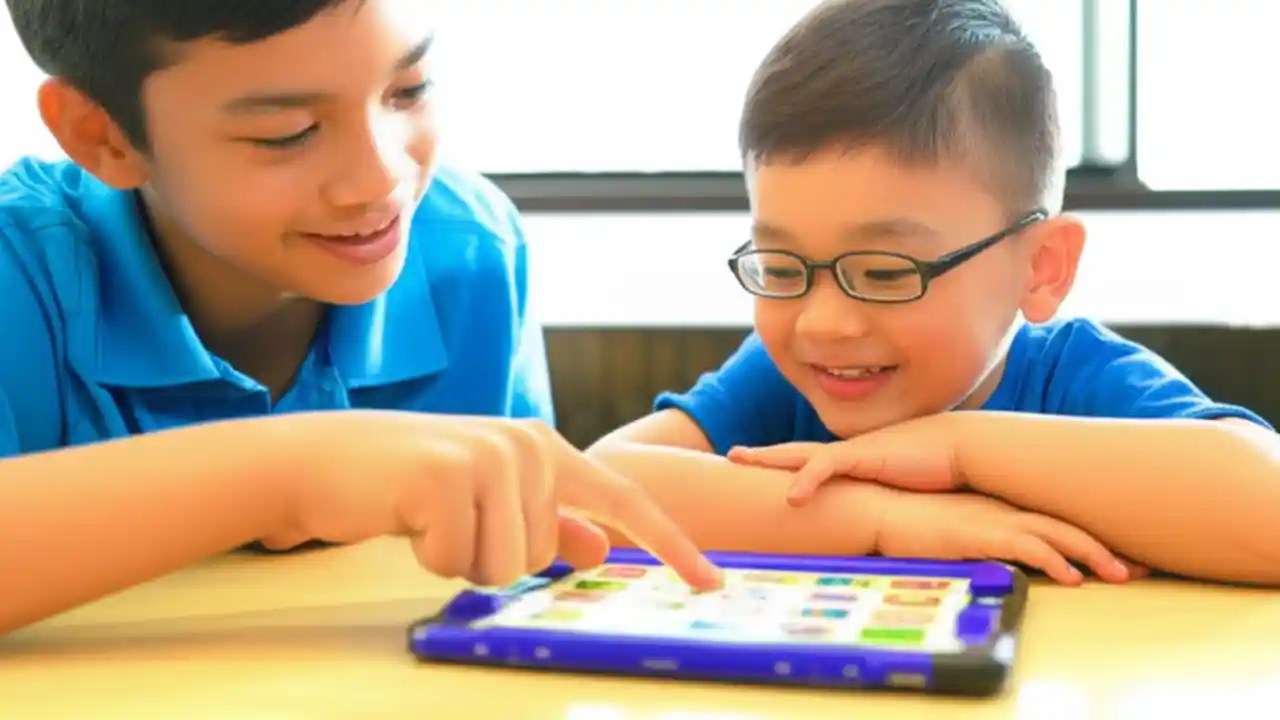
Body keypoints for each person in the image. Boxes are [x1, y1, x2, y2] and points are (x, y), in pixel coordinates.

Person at [0, 0, 720, 635]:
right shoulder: (21, 275)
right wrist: (295, 476)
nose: (381, 178)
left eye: (409, 89)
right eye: (287, 132)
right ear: (102, 136)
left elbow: (510, 578)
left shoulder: (470, 252)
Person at [589, 0, 1279, 587]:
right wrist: (883, 520)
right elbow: (596, 490)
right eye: (781, 267)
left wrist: (957, 449)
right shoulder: (789, 379)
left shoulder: (1072, 378)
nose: (823, 322)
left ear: (1041, 268)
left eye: (886, 273)